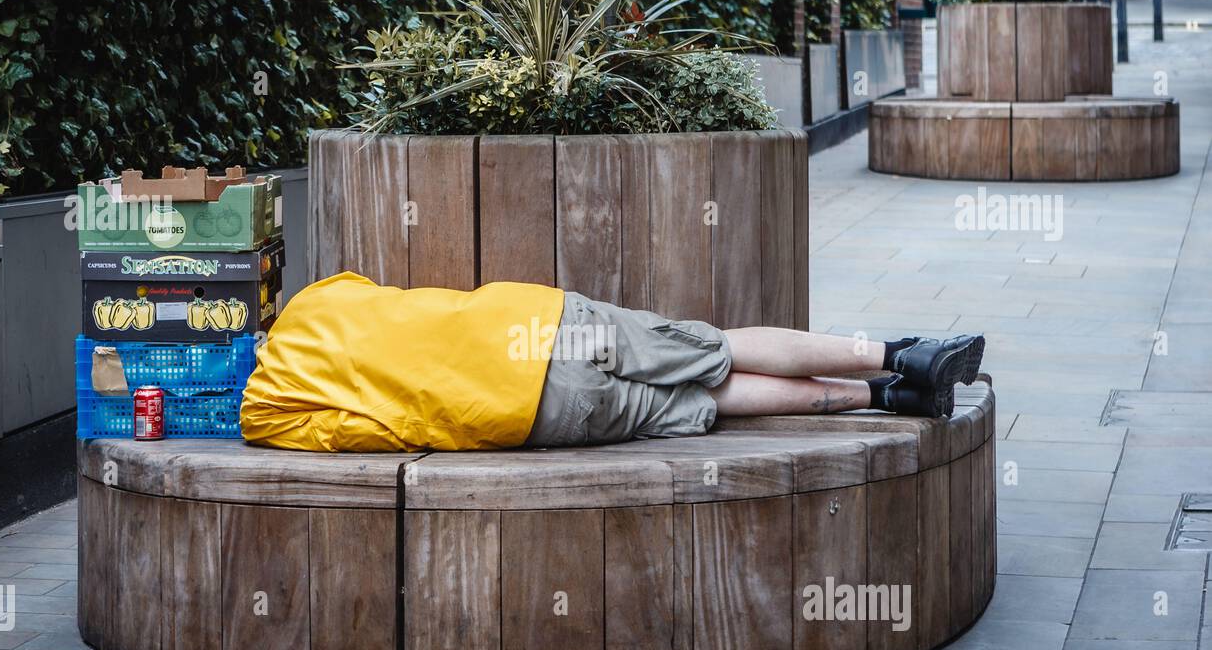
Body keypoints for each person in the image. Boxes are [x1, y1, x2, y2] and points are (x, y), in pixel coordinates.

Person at [240, 273, 986, 453]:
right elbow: (385, 294)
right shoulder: (311, 298)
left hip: (525, 412)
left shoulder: (267, 412)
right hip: (540, 323)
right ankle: (900, 355)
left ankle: (891, 404)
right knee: (713, 349)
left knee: (709, 400)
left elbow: (363, 438)